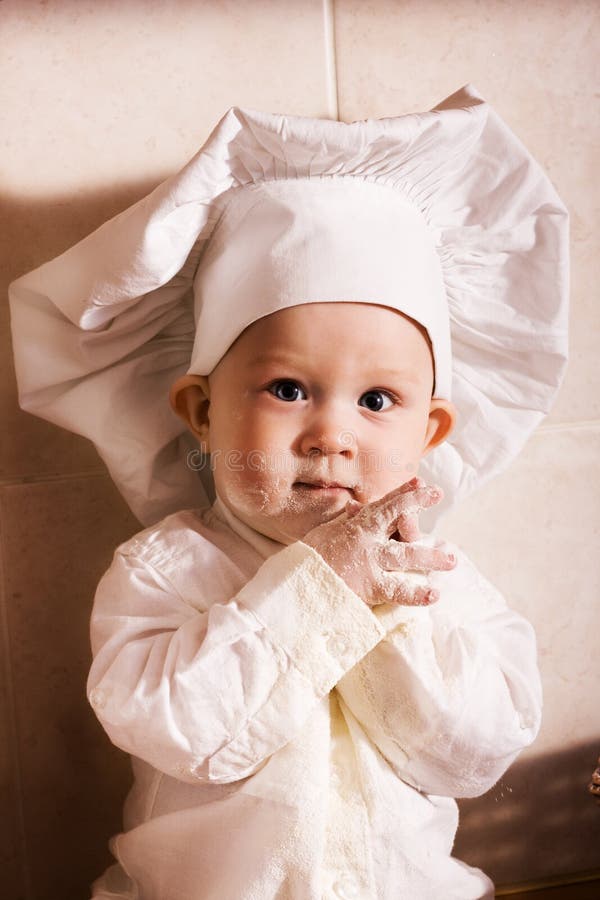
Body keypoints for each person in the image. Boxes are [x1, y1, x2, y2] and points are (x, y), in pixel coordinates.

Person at [8, 85, 569, 899]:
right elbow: (181, 733)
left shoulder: (441, 580)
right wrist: (319, 593)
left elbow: (469, 756)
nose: (331, 436)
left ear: (431, 434)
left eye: (377, 402)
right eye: (288, 390)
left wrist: (386, 605)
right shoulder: (164, 571)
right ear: (203, 412)